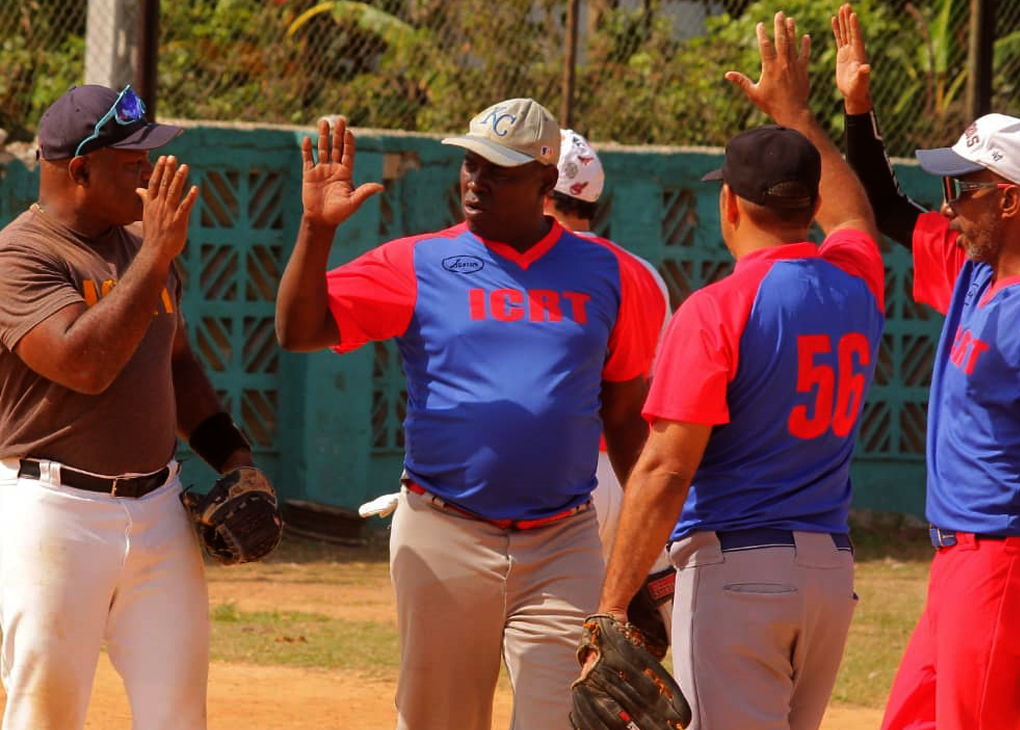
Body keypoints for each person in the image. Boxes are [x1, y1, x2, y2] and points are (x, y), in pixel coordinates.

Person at [275, 98, 664, 730]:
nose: (477, 181)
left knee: (564, 718)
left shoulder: (613, 275)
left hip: (564, 540)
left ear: (546, 181)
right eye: (471, 164)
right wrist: (316, 230)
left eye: (500, 171)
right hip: (445, 530)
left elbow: (624, 418)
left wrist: (653, 550)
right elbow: (298, 330)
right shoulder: (418, 262)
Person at [590, 13, 885, 730]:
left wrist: (610, 608)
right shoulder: (858, 282)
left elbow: (665, 469)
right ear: (810, 205)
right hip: (829, 577)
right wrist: (798, 117)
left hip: (739, 574)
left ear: (728, 204)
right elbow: (855, 217)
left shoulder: (717, 309)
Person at [0, 84, 255, 730]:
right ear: (80, 170)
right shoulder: (21, 255)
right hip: (54, 513)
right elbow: (83, 365)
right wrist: (156, 256)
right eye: (132, 162)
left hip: (158, 511)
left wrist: (236, 459)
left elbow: (177, 360)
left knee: (177, 715)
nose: (149, 174)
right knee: (46, 715)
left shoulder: (142, 247)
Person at [834, 5, 1020, 728]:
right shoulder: (971, 269)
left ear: (1008, 199)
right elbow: (884, 205)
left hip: (999, 564)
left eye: (963, 188)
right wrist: (857, 109)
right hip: (954, 565)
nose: (948, 206)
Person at [543, 128, 676, 638]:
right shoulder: (645, 273)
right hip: (631, 470)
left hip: (563, 475)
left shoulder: (535, 266)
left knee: (551, 640)